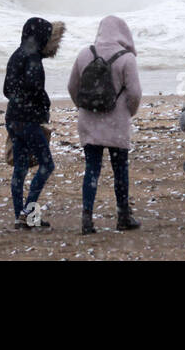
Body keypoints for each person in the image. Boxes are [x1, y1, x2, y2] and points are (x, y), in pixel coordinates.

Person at [67, 15, 143, 234]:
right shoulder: (126, 58)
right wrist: (129, 111)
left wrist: (83, 107)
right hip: (117, 122)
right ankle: (123, 216)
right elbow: (135, 93)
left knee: (91, 170)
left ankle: (87, 219)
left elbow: (72, 86)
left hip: (88, 121)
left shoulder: (84, 54)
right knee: (120, 170)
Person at [3, 16, 62, 229]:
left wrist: (19, 103)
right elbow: (36, 90)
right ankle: (29, 211)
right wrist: (43, 103)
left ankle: (22, 215)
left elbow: (7, 90)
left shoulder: (16, 55)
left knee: (20, 168)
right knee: (47, 164)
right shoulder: (34, 59)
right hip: (28, 121)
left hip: (13, 119)